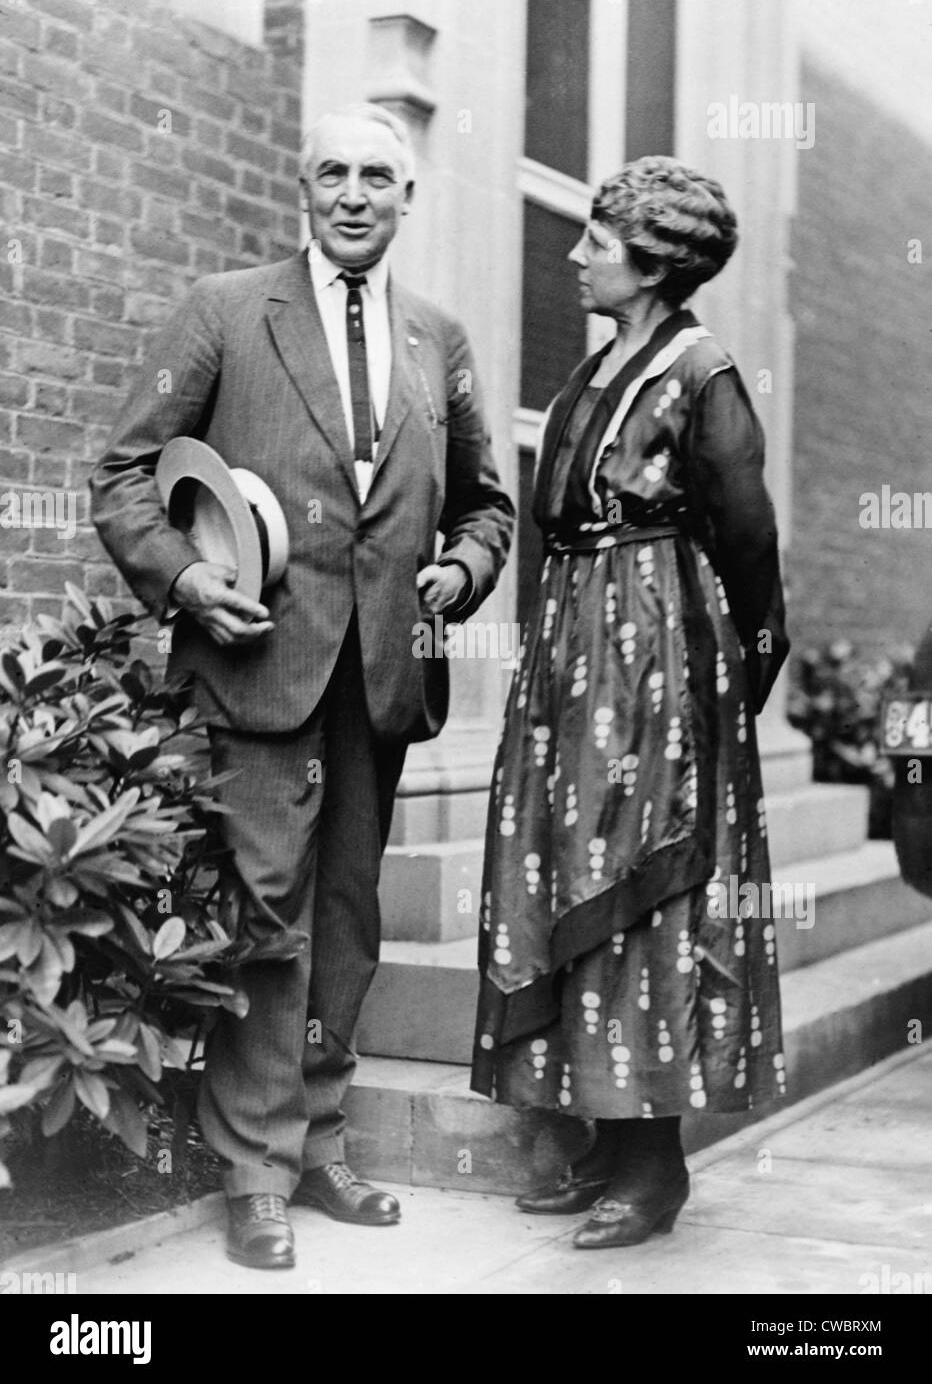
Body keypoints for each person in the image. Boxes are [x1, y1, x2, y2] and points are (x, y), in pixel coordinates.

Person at [90, 103, 514, 1270]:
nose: (355, 193)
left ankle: (320, 1143)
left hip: (378, 677)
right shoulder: (225, 311)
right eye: (333, 172)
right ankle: (252, 1169)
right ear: (304, 190)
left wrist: (464, 566)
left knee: (345, 919)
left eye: (379, 175)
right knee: (268, 916)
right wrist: (183, 580)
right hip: (257, 661)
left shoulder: (440, 339)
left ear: (409, 198)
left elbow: (485, 503)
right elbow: (125, 472)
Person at [471, 156, 789, 1249]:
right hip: (572, 643)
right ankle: (599, 1138)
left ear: (650, 262)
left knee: (638, 873)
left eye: (595, 242)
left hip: (653, 645)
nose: (572, 255)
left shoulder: (702, 371)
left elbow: (747, 542)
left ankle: (653, 1167)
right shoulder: (596, 370)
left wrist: (720, 695)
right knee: (564, 863)